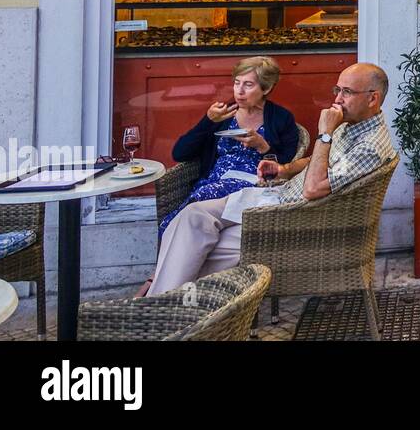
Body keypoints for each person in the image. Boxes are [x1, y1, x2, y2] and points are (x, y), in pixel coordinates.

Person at [145, 62, 398, 296]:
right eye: (337, 89)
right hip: (276, 196)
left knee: (194, 246)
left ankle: (158, 309)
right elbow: (316, 162)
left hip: (295, 220)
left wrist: (325, 134)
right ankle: (167, 306)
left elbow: (313, 189)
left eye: (346, 92)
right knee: (191, 218)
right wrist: (285, 169)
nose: (337, 99)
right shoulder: (352, 124)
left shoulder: (369, 147)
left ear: (372, 98)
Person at [159, 56, 300, 237]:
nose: (239, 91)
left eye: (248, 85)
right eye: (236, 83)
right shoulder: (223, 115)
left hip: (253, 185)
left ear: (266, 88)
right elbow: (180, 153)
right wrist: (208, 121)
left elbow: (287, 164)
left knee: (184, 217)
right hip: (214, 183)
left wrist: (263, 146)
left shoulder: (281, 118)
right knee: (173, 223)